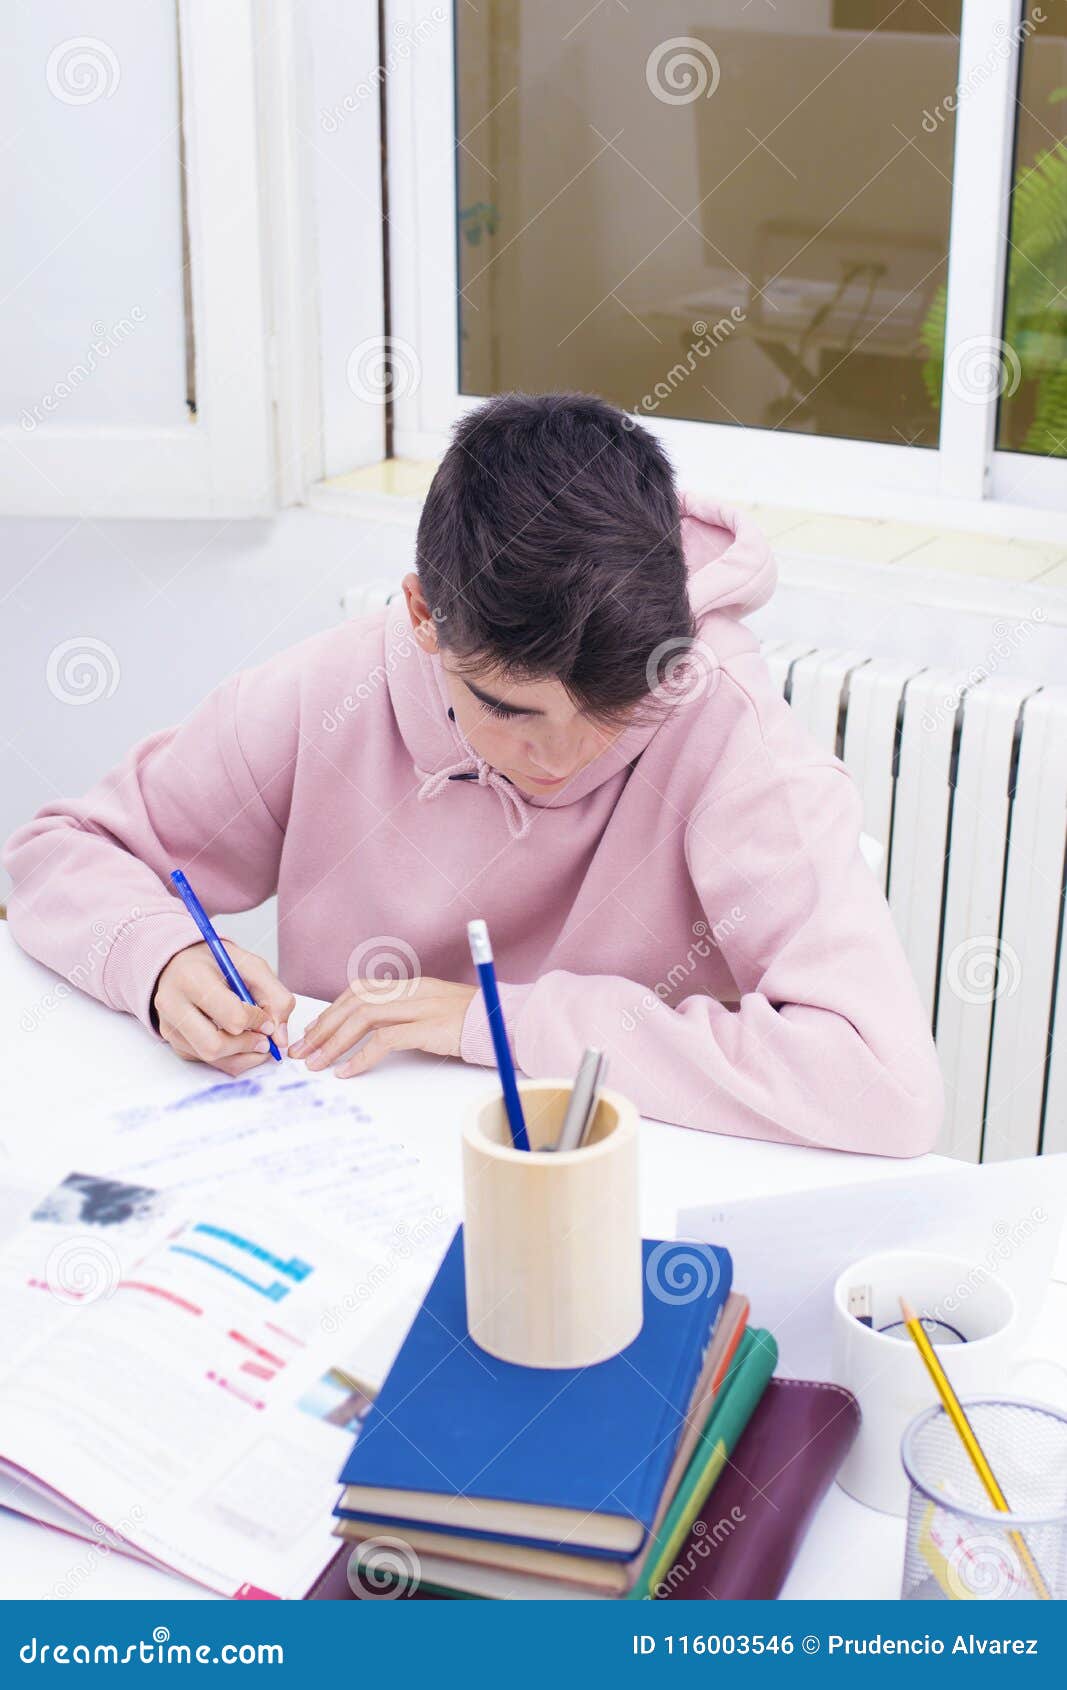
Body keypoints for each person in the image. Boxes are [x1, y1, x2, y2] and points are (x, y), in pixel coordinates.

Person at [4, 391, 943, 1154]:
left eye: (612, 711)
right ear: (422, 616)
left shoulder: (721, 717)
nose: (566, 756)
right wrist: (159, 959)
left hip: (610, 1179)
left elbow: (884, 1086)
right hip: (344, 1161)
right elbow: (61, 851)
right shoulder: (333, 686)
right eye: (510, 710)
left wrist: (489, 1022)